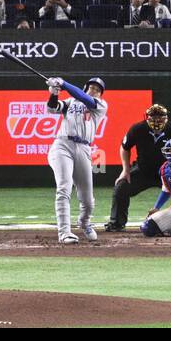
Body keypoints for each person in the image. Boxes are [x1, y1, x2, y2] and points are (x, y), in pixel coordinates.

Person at [104, 104, 171, 232]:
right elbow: (125, 147)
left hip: (169, 172)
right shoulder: (138, 129)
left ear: (166, 118)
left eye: (159, 117)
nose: (156, 121)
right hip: (144, 170)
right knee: (121, 188)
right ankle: (116, 222)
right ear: (147, 118)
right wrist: (126, 169)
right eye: (153, 117)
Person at [44, 75, 108, 244]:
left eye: (97, 89)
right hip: (62, 145)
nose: (93, 90)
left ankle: (84, 222)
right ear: (86, 87)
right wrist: (54, 92)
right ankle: (64, 232)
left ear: (101, 94)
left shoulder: (100, 105)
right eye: (91, 87)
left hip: (84, 149)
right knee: (64, 187)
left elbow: (85, 98)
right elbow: (52, 108)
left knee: (88, 199)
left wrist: (63, 83)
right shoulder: (70, 102)